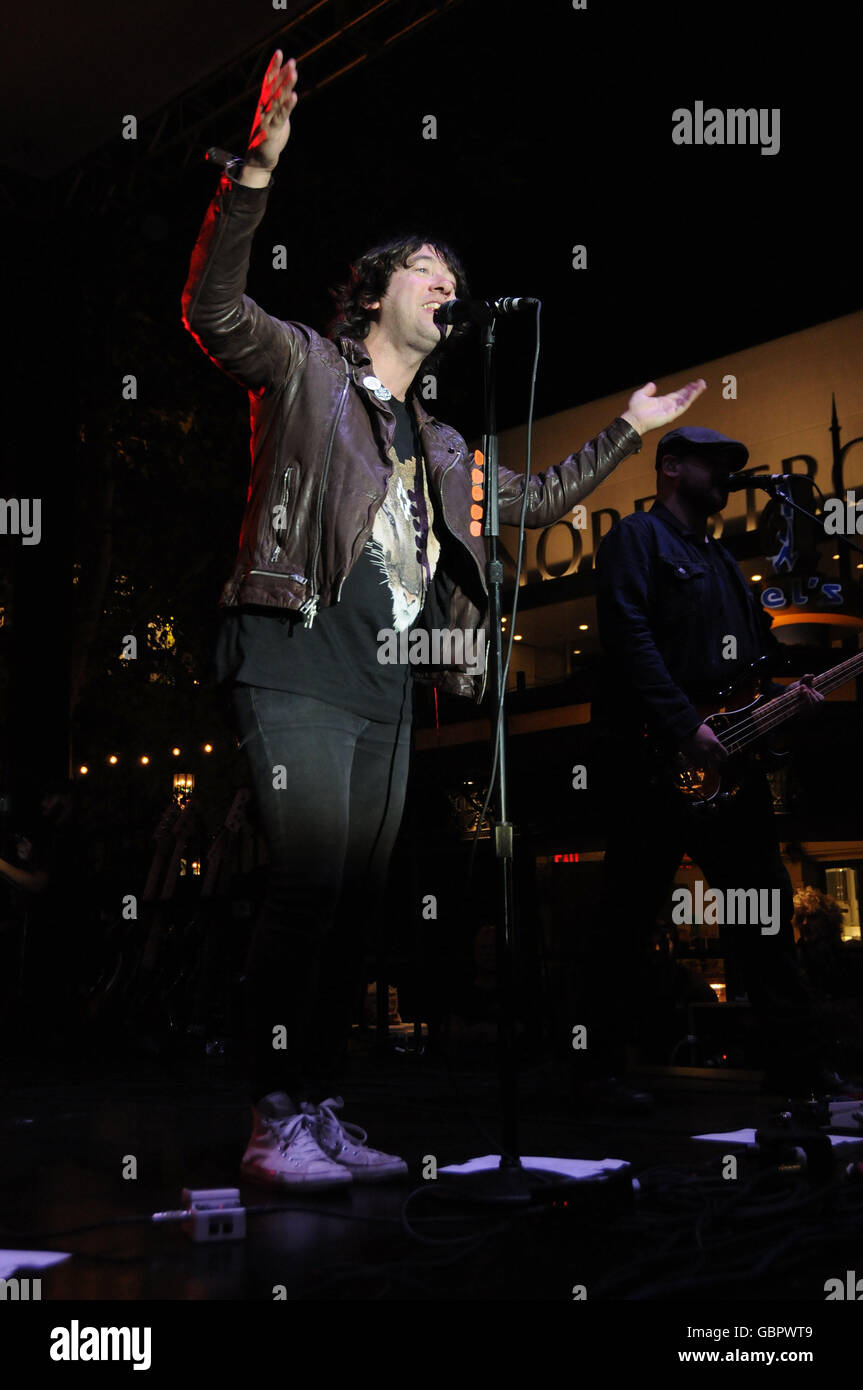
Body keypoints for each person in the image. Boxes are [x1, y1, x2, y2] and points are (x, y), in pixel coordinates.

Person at [181, 50, 706, 1189]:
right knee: (309, 882)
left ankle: (317, 1105)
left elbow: (536, 503)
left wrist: (625, 427)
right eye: (424, 267)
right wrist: (253, 179)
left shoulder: (446, 446)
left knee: (357, 904)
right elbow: (212, 309)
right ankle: (271, 1116)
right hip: (291, 651)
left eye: (450, 273)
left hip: (383, 683)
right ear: (374, 292)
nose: (443, 281)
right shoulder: (306, 366)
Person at [585, 425, 850, 1109]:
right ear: (670, 468)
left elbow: (751, 670)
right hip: (652, 762)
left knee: (762, 915)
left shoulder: (725, 562)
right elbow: (628, 640)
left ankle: (798, 1070)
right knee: (626, 920)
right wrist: (684, 726)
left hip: (729, 767)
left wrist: (784, 713)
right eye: (714, 465)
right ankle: (597, 1072)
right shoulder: (635, 541)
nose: (728, 476)